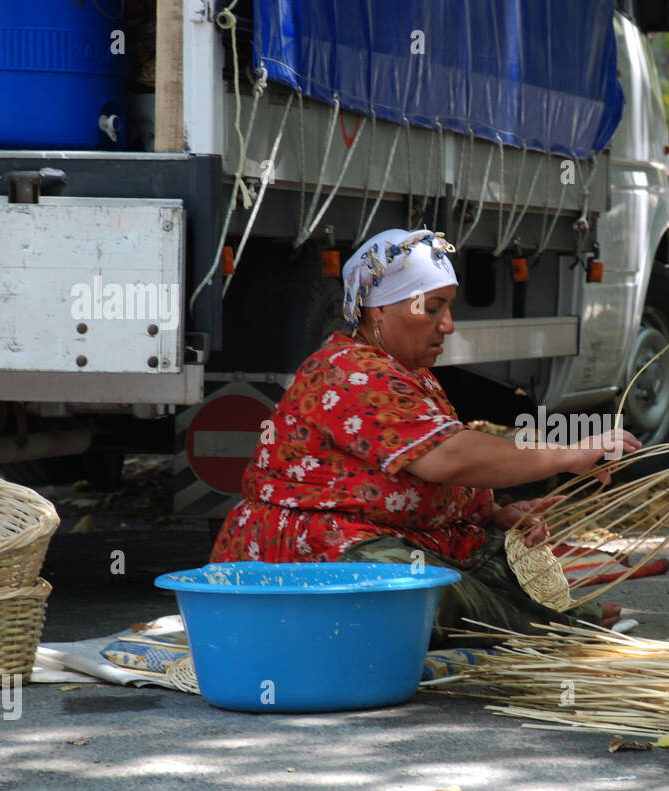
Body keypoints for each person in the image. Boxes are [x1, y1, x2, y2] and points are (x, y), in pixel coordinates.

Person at [210, 227, 641, 647]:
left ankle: (539, 619)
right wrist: (564, 454)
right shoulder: (349, 373)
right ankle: (542, 627)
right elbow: (448, 457)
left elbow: (437, 472)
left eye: (448, 308)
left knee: (502, 558)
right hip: (318, 551)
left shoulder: (408, 374)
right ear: (380, 310)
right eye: (432, 308)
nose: (448, 325)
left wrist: (489, 514)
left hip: (400, 537)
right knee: (412, 591)